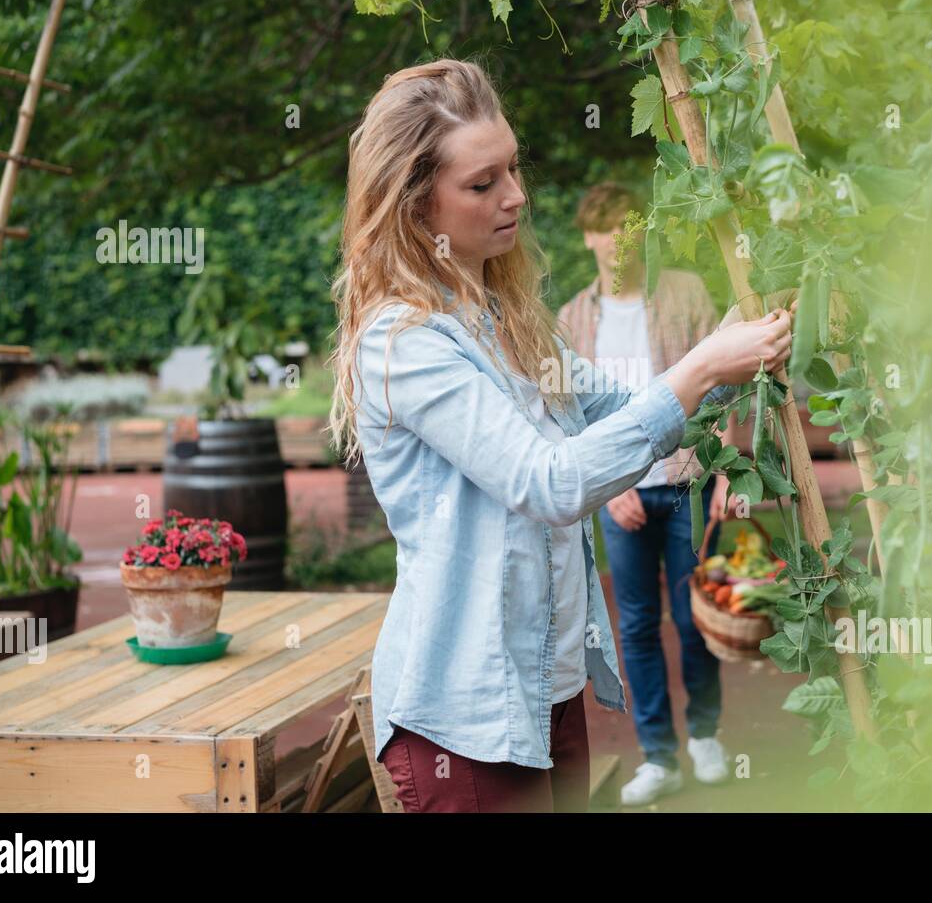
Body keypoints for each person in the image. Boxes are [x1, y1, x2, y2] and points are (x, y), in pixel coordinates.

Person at [327, 58, 792, 812]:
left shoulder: (504, 317)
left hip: (545, 684)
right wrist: (704, 368)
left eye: (512, 168)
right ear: (415, 207)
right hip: (465, 714)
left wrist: (735, 337)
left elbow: (626, 406)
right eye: (482, 184)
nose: (516, 195)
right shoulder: (404, 342)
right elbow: (548, 482)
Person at [556, 183, 740, 806]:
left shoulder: (684, 293)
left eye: (628, 227)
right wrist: (607, 493)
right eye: (604, 228)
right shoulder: (572, 319)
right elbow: (569, 416)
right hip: (623, 496)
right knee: (634, 625)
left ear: (643, 233)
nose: (616, 241)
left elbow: (726, 379)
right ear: (588, 236)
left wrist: (725, 472)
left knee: (694, 617)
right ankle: (658, 754)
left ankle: (706, 737)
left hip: (689, 480)